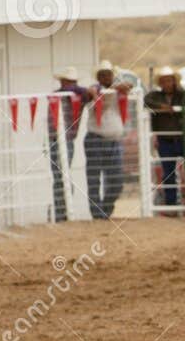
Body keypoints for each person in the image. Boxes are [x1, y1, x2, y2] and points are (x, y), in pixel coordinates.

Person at [144, 66, 185, 208]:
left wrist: (179, 91)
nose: (167, 84)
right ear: (160, 83)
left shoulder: (182, 95)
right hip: (165, 140)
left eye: (170, 80)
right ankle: (171, 204)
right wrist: (162, 107)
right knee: (168, 174)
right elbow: (146, 101)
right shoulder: (155, 96)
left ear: (174, 82)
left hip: (183, 138)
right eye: (164, 81)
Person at [83, 60, 131, 219]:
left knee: (117, 181)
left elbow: (128, 84)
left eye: (107, 74)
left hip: (114, 140)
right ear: (98, 77)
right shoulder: (94, 91)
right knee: (94, 179)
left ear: (112, 75)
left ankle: (104, 210)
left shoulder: (118, 90)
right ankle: (98, 214)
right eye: (101, 74)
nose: (105, 77)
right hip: (95, 139)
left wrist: (115, 87)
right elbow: (90, 93)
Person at [48, 66, 86, 222]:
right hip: (55, 140)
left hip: (67, 139)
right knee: (59, 176)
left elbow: (85, 91)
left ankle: (65, 210)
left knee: (63, 174)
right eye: (68, 81)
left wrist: (75, 88)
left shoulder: (79, 95)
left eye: (72, 82)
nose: (69, 85)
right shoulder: (56, 96)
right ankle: (60, 211)